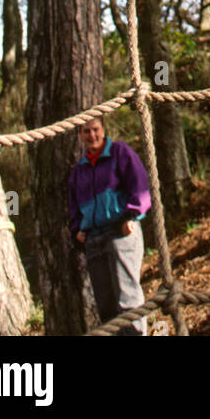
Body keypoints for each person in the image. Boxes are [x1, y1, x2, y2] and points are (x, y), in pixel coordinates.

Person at [68, 116, 152, 335]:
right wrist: (77, 231)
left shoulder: (120, 153)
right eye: (86, 132)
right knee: (106, 306)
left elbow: (140, 187)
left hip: (120, 233)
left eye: (95, 129)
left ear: (103, 129)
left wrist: (132, 217)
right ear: (80, 135)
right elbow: (74, 205)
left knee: (127, 298)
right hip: (94, 240)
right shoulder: (80, 171)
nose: (92, 136)